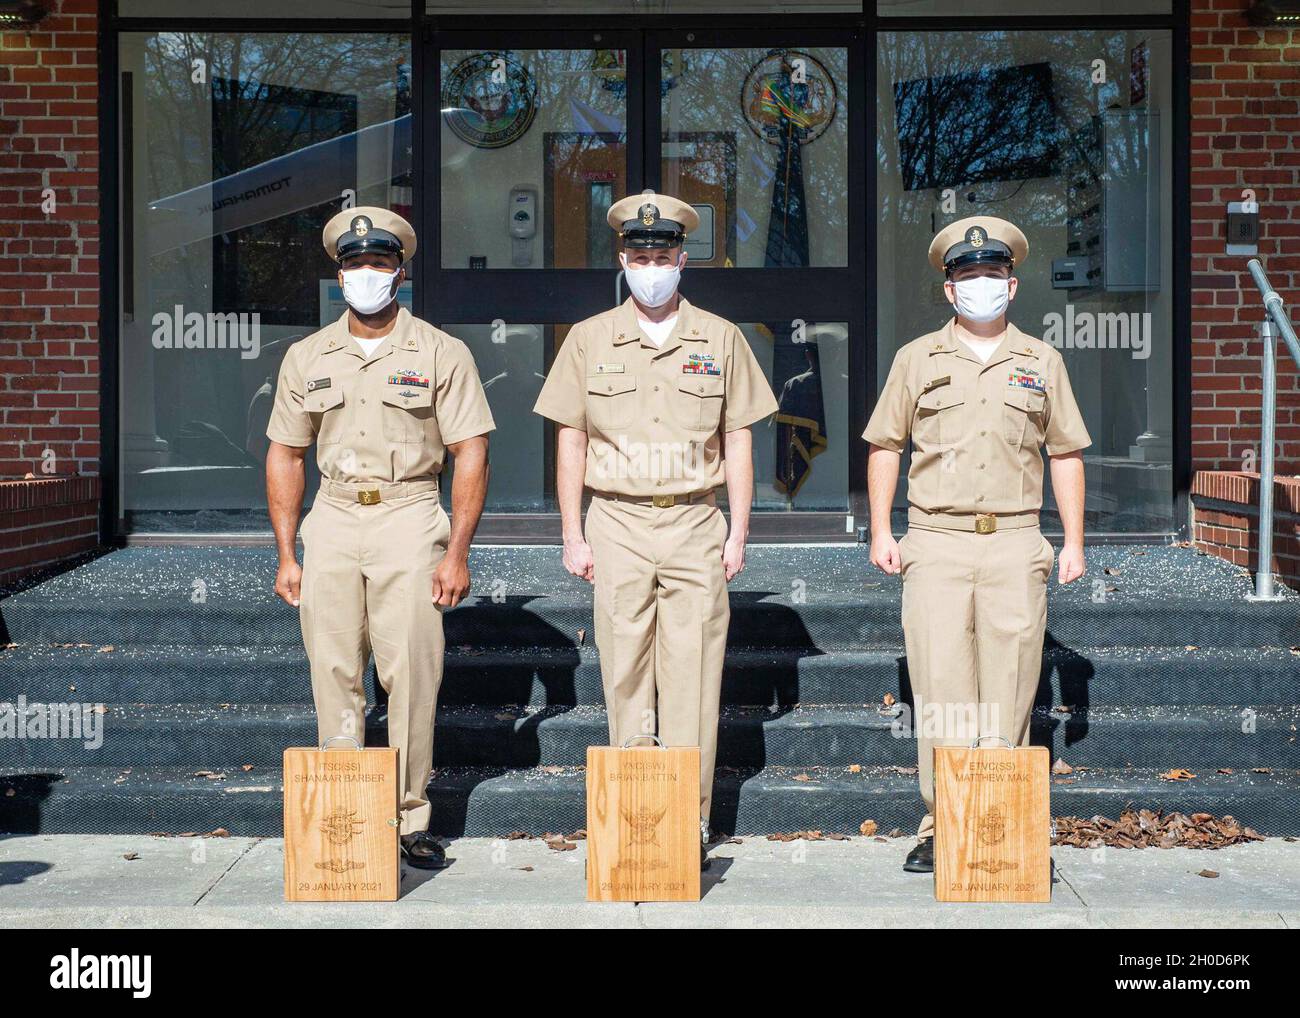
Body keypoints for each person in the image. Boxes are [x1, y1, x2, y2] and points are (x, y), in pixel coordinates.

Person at [533, 192, 778, 869]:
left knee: (694, 671)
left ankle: (687, 823)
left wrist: (738, 532)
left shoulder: (721, 339)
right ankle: (637, 815)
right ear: (622, 260)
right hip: (615, 520)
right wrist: (572, 533)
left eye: (662, 255)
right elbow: (571, 440)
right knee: (624, 670)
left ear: (682, 260)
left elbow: (738, 440)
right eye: (639, 256)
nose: (651, 266)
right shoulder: (588, 339)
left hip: (696, 519)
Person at [265, 206, 495, 870]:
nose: (367, 274)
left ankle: (407, 817)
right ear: (339, 275)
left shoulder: (440, 352)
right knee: (334, 671)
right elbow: (285, 454)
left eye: (380, 262)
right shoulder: (307, 357)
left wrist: (457, 552)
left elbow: (470, 452)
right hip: (333, 519)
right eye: (355, 263)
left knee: (412, 672)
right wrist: (287, 551)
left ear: (400, 270)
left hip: (409, 516)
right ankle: (345, 815)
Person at [863, 215, 1091, 874]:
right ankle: (942, 824)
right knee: (942, 692)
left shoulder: (1041, 361)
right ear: (949, 289)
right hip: (936, 540)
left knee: (1012, 689)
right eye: (968, 275)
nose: (981, 284)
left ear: (1012, 285)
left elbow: (1066, 452)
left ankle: (1003, 822)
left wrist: (1071, 541)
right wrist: (883, 528)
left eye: (992, 274)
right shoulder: (917, 359)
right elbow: (885, 446)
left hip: (1015, 541)